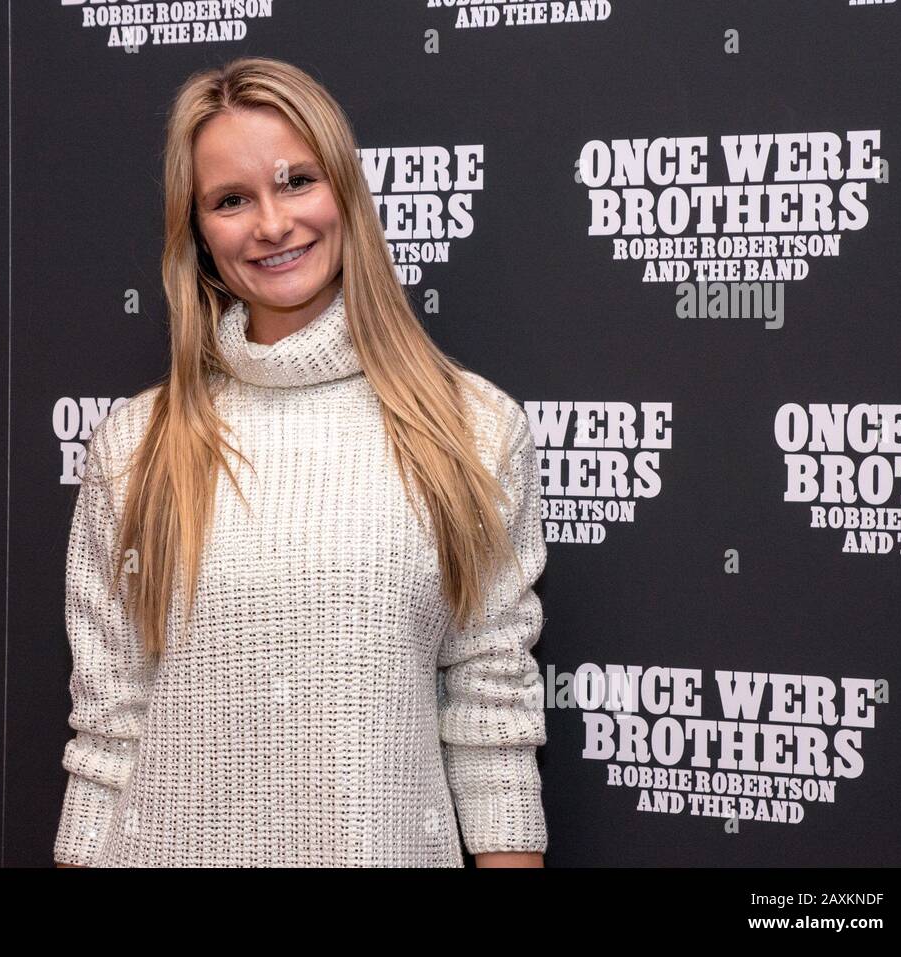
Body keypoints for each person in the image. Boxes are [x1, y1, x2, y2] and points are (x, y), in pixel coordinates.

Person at [54, 56, 548, 868]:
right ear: (200, 233)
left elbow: (492, 715)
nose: (272, 223)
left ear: (346, 193)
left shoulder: (475, 429)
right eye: (231, 199)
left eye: (296, 180)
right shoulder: (134, 447)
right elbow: (108, 732)